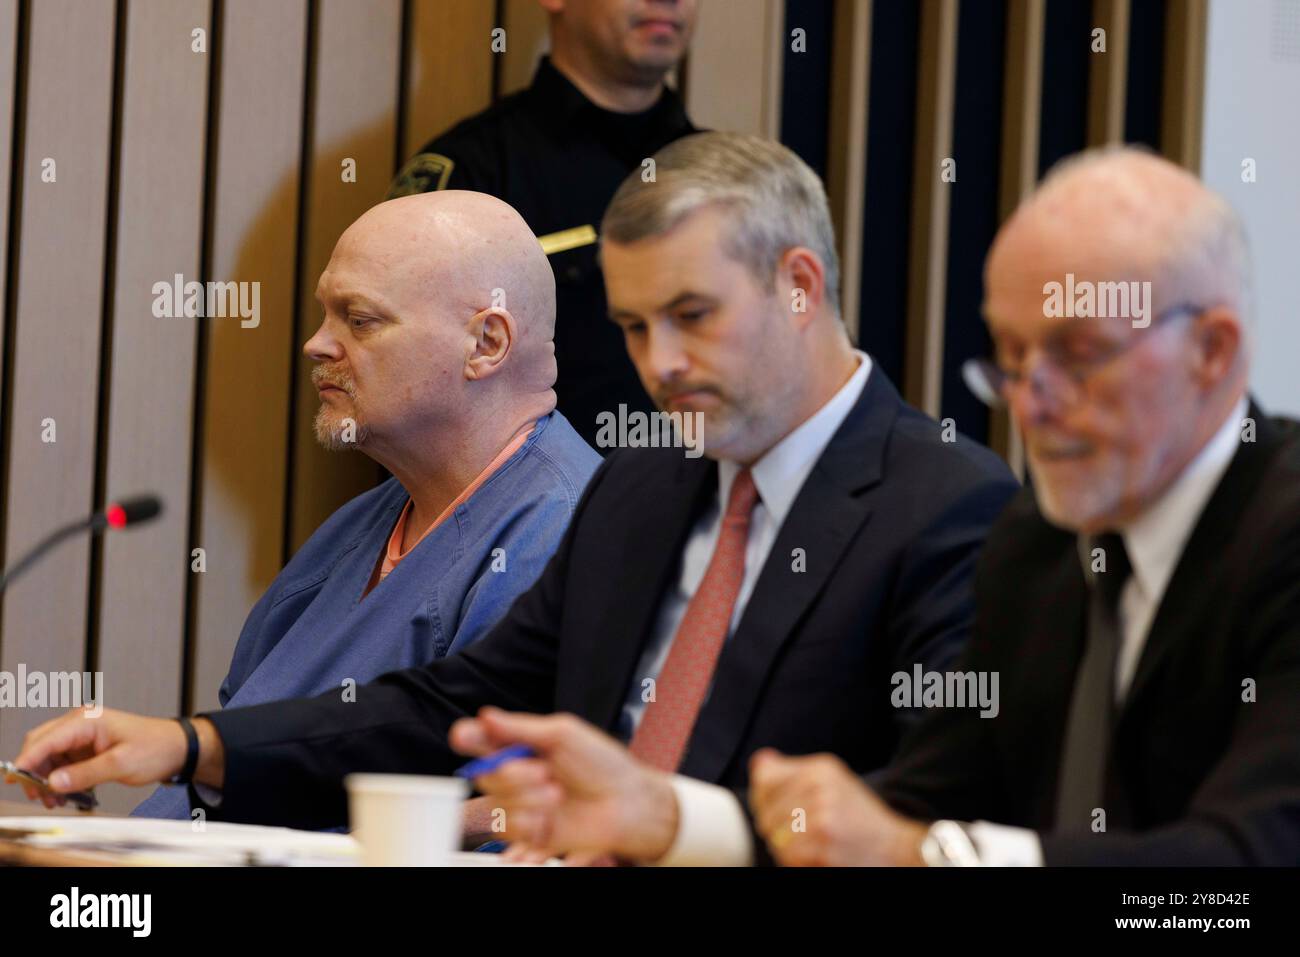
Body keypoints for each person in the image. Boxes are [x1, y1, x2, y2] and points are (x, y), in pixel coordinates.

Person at [13, 134, 1016, 851]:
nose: (657, 363)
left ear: (800, 286)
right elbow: (448, 703)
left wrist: (670, 827)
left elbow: (933, 820)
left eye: (691, 315)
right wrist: (193, 745)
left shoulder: (949, 506)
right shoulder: (644, 491)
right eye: (631, 327)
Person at [449, 146, 1300, 867]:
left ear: (1212, 352)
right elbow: (923, 799)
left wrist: (919, 852)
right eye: (1009, 358)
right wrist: (667, 818)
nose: (1032, 403)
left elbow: (1233, 882)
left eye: (1077, 356)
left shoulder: (1281, 533)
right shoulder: (1037, 547)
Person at [130, 191, 599, 820]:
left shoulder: (565, 533)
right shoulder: (354, 530)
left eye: (360, 319)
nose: (316, 345)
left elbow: (513, 814)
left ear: (486, 343)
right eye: (325, 315)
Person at [389, 0, 700, 448]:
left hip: (710, 506)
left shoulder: (733, 183)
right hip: (532, 511)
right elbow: (403, 391)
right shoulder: (468, 177)